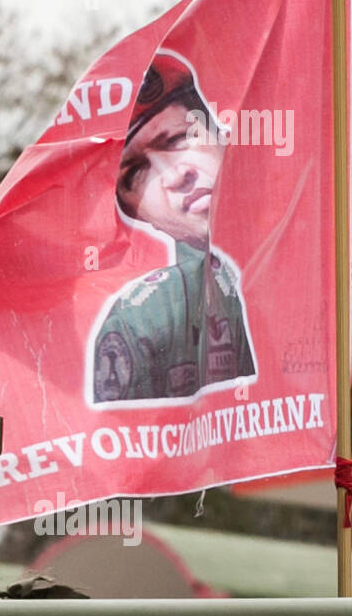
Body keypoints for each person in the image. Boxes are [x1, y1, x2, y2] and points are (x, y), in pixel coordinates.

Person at [92, 52, 256, 402]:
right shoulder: (141, 322)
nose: (174, 175)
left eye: (179, 138)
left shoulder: (317, 260)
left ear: (220, 136)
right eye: (136, 173)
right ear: (134, 212)